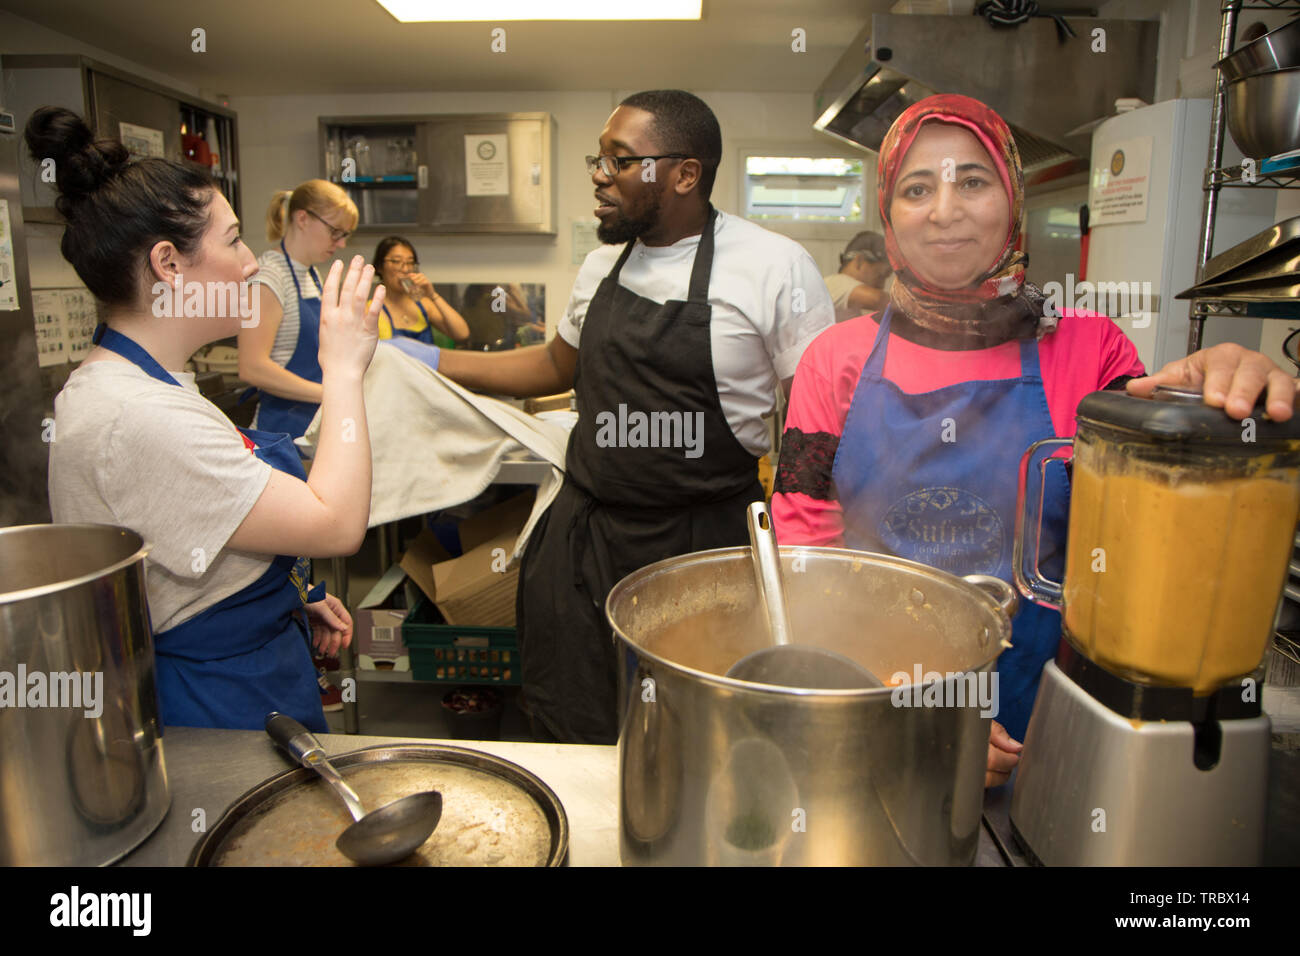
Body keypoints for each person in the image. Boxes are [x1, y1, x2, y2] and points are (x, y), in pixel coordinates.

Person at [771, 94, 1298, 786]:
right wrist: (903, 696)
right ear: (889, 215)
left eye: (973, 181)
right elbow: (802, 557)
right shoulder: (835, 359)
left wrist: (1224, 400)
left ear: (1013, 199)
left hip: (1056, 718)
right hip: (875, 711)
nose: (944, 209)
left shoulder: (1092, 347)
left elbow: (1154, 517)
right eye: (917, 188)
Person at [426, 90, 834, 743]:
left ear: (684, 173)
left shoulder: (773, 267)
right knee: (572, 722)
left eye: (619, 159)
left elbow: (818, 424)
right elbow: (554, 367)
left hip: (701, 552)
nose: (598, 173)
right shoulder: (598, 267)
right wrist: (428, 360)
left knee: (697, 735)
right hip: (582, 541)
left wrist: (801, 553)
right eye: (599, 157)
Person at [31, 107, 385, 732]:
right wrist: (345, 367)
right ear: (169, 264)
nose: (251, 262)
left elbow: (194, 538)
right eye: (233, 239)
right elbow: (336, 527)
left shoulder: (146, 385)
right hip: (215, 700)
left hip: (249, 662)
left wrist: (294, 599)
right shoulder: (138, 415)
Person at [238, 179, 358, 439]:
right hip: (282, 433)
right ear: (302, 218)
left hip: (312, 425)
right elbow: (251, 366)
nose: (340, 244)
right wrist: (331, 394)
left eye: (344, 235)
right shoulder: (268, 278)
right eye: (335, 232)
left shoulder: (312, 274)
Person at [371, 236, 470, 348]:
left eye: (410, 263)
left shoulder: (423, 304)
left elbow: (462, 333)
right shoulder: (371, 310)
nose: (405, 269)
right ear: (379, 267)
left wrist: (432, 295)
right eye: (396, 261)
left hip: (426, 366)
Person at [824, 231, 892, 323]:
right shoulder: (835, 282)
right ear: (859, 261)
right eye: (880, 275)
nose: (882, 285)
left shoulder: (848, 297)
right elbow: (878, 299)